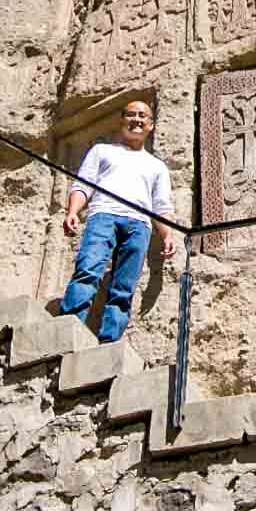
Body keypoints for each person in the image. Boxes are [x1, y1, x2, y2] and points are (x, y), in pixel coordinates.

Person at [49, 96, 177, 343]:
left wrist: (167, 235)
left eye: (143, 117)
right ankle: (69, 329)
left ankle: (109, 340)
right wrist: (73, 211)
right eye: (131, 115)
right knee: (88, 270)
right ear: (122, 121)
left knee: (124, 287)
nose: (137, 120)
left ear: (151, 125)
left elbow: (161, 205)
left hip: (139, 224)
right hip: (103, 215)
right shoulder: (102, 151)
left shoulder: (157, 166)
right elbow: (83, 185)